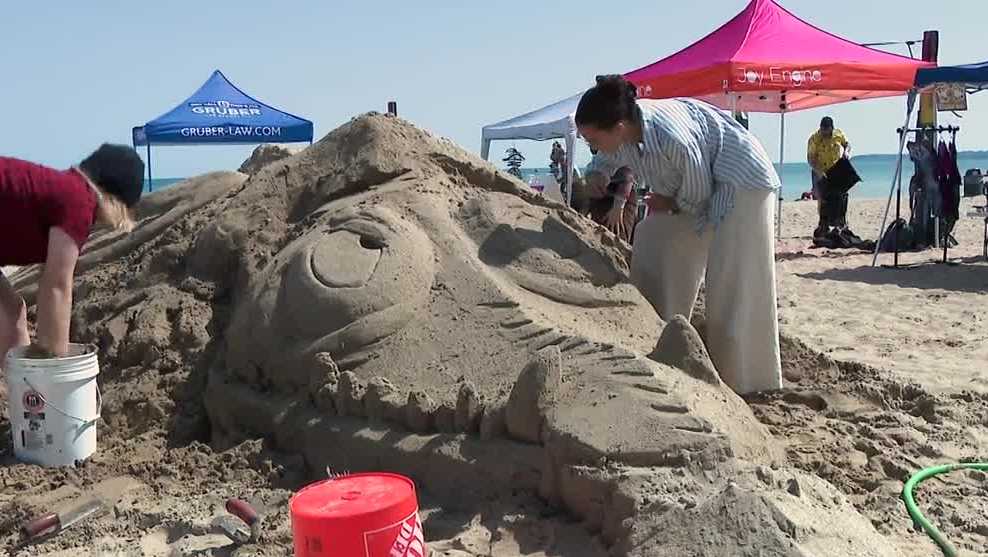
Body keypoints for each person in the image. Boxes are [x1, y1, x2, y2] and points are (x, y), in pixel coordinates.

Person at [577, 74, 781, 395]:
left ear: (617, 128)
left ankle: (745, 382)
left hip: (741, 183)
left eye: (592, 141)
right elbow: (603, 159)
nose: (592, 147)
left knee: (732, 282)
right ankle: (657, 333)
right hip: (697, 193)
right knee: (652, 237)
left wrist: (669, 202)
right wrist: (596, 174)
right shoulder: (624, 131)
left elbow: (696, 194)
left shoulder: (670, 135)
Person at [0, 144, 145, 361]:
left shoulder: (63, 189)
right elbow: (57, 286)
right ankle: (41, 387)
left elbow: (49, 279)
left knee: (11, 311)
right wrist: (56, 361)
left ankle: (27, 387)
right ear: (116, 200)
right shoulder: (78, 202)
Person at [807, 116, 850, 237]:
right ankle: (823, 224)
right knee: (822, 198)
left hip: (836, 169)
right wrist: (819, 172)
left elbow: (847, 144)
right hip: (819, 170)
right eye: (823, 131)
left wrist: (846, 152)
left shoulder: (838, 134)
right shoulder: (814, 139)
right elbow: (811, 159)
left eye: (827, 131)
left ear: (832, 128)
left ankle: (840, 223)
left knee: (841, 196)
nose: (825, 134)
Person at [584, 160, 639, 243]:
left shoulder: (614, 154)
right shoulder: (597, 160)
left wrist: (618, 205)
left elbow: (627, 173)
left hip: (617, 198)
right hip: (603, 199)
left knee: (617, 235)